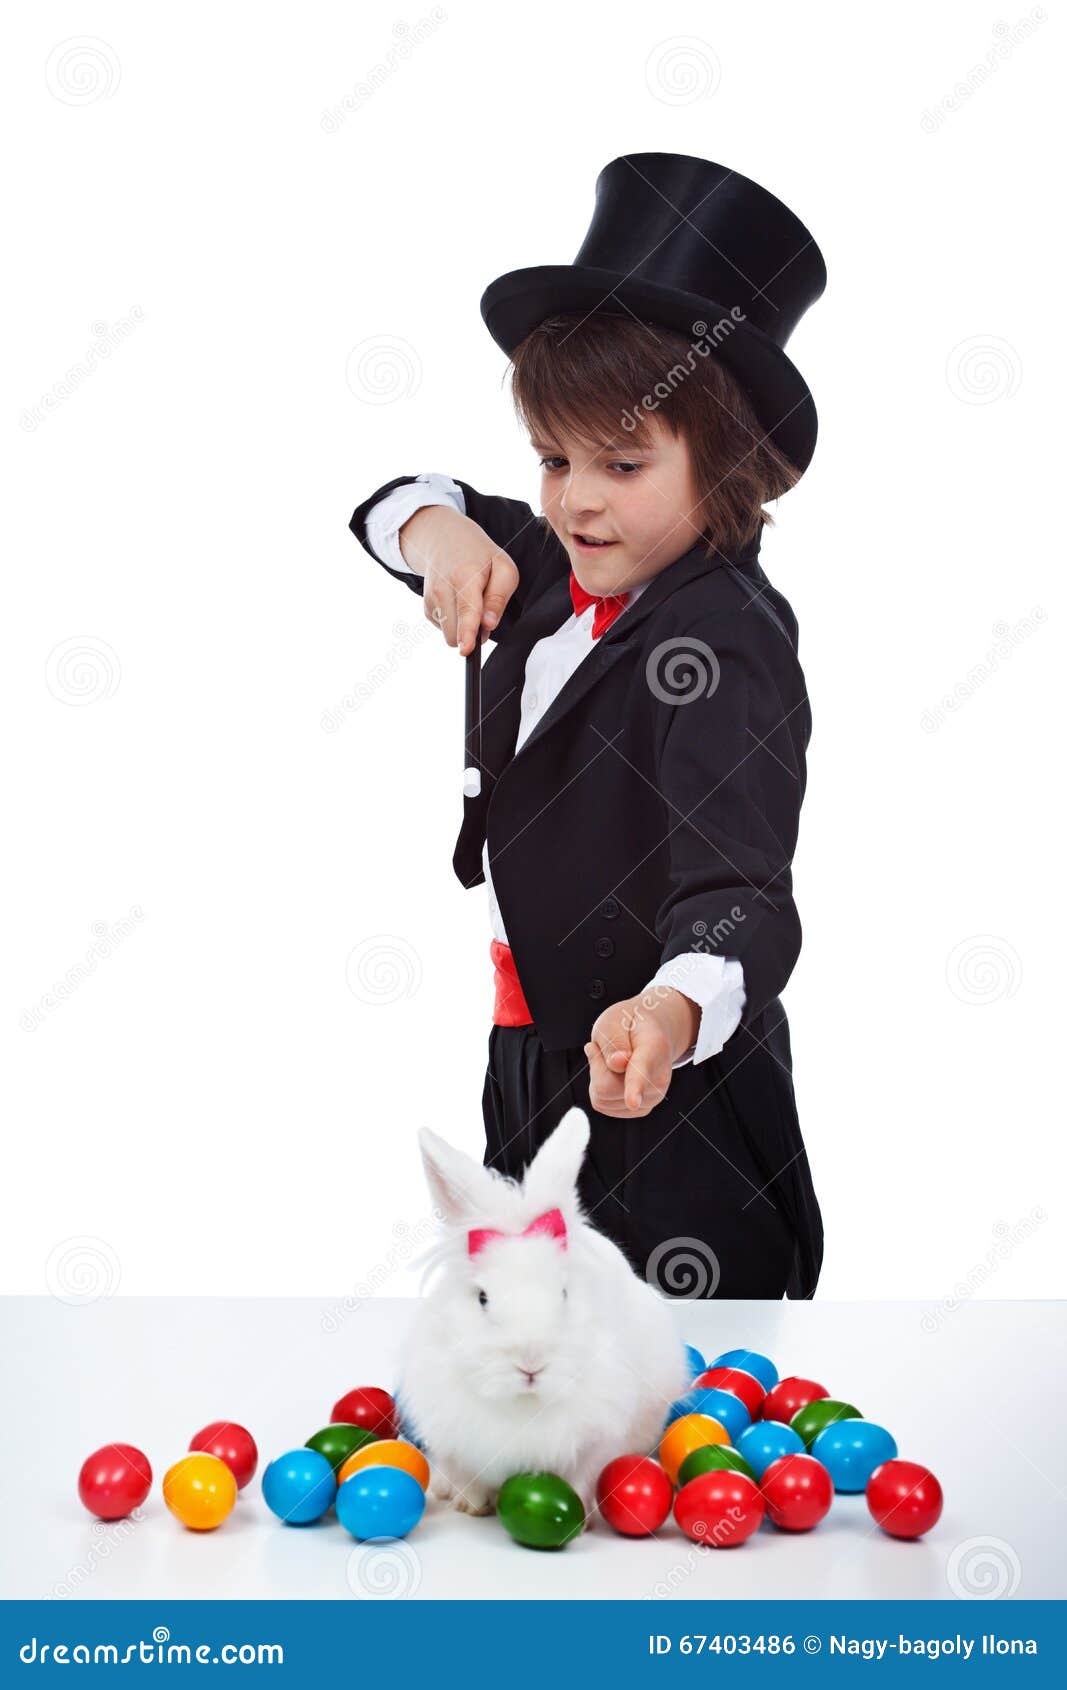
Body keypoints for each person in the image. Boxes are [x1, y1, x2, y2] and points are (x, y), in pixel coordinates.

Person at [349, 153, 827, 1298]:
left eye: (620, 462)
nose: (573, 500)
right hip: (528, 1051)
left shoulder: (721, 640)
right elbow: (392, 502)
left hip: (662, 1077)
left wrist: (669, 1006)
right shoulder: (561, 560)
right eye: (553, 459)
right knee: (532, 1328)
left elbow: (745, 892)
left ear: (726, 470)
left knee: (692, 1362)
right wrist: (437, 535)